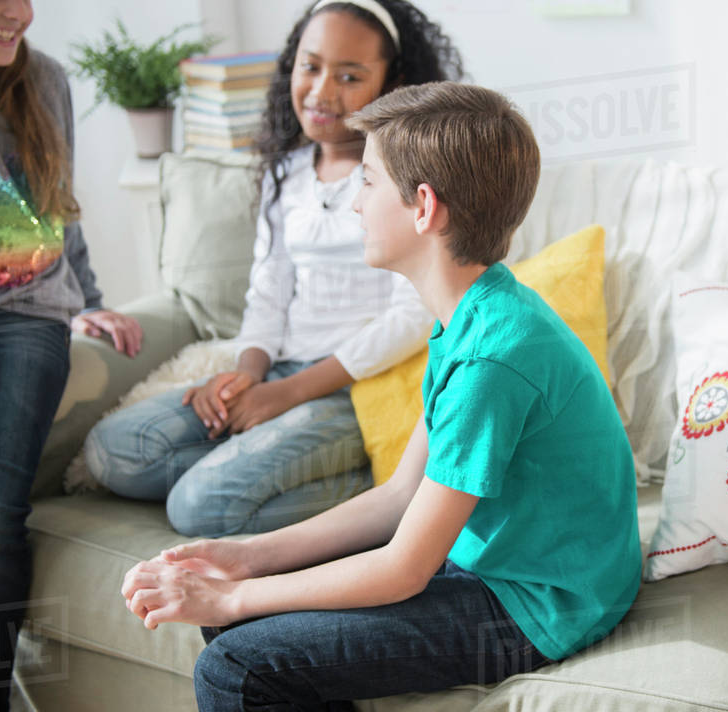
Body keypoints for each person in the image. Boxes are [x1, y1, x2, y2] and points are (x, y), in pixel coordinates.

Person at [120, 81, 642, 712]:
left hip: (534, 603)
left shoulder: (494, 356)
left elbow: (403, 568)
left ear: (423, 207)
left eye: (367, 182)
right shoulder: (469, 313)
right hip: (497, 568)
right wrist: (243, 560)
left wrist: (239, 597)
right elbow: (399, 496)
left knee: (234, 668)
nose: (356, 201)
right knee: (235, 627)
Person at [85, 0, 462, 537]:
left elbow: (411, 317)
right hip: (280, 368)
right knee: (112, 451)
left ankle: (383, 490)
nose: (322, 91)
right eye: (310, 67)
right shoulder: (286, 173)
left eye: (350, 75)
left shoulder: (407, 180)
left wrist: (289, 394)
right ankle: (252, 466)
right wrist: (248, 373)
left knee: (198, 507)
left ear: (394, 81)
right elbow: (268, 289)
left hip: (356, 387)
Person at [0, 0, 145, 712]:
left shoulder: (43, 81)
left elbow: (58, 209)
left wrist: (90, 298)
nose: (20, 13)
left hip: (24, 318)